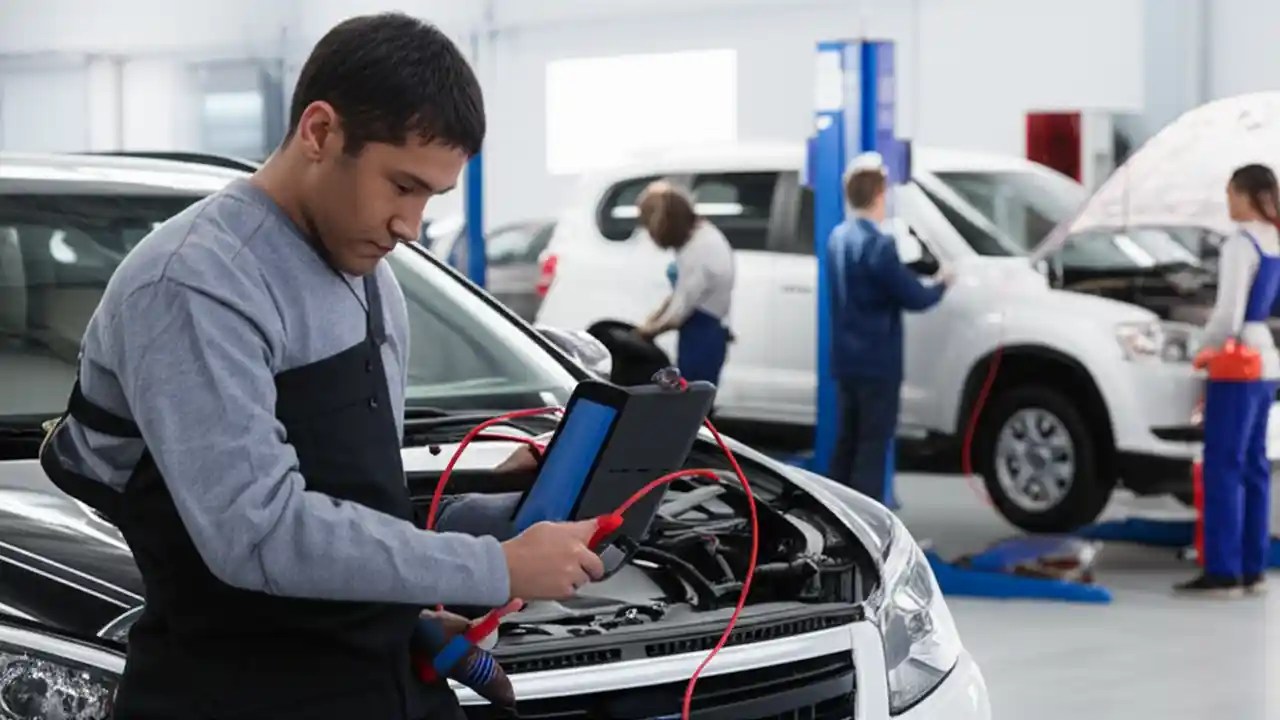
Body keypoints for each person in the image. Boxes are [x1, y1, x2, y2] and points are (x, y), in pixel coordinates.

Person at [37, 13, 602, 719]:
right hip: (236, 697)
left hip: (379, 681)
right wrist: (496, 566)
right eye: (401, 185)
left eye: (430, 196)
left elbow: (353, 500)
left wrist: (452, 561)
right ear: (320, 132)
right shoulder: (195, 283)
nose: (412, 225)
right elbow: (259, 530)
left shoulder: (373, 282)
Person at [1178, 163, 1280, 598]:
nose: (1227, 203)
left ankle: (1222, 571)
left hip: (1236, 362)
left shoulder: (1241, 243)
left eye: (1231, 194)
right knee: (1255, 466)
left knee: (1222, 464)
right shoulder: (1275, 239)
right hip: (1267, 360)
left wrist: (1206, 347)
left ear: (1248, 195)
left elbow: (1228, 312)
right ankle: (1252, 568)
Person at [826, 154, 953, 501]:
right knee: (872, 447)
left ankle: (834, 517)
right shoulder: (879, 245)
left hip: (846, 360)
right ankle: (868, 529)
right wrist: (943, 282)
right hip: (877, 362)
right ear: (880, 195)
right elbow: (914, 297)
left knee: (847, 443)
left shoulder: (839, 237)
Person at [634, 180, 736, 387]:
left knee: (692, 400)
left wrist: (646, 332)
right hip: (700, 329)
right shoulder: (700, 236)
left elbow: (679, 313)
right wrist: (654, 318)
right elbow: (680, 293)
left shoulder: (700, 250)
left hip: (703, 335)